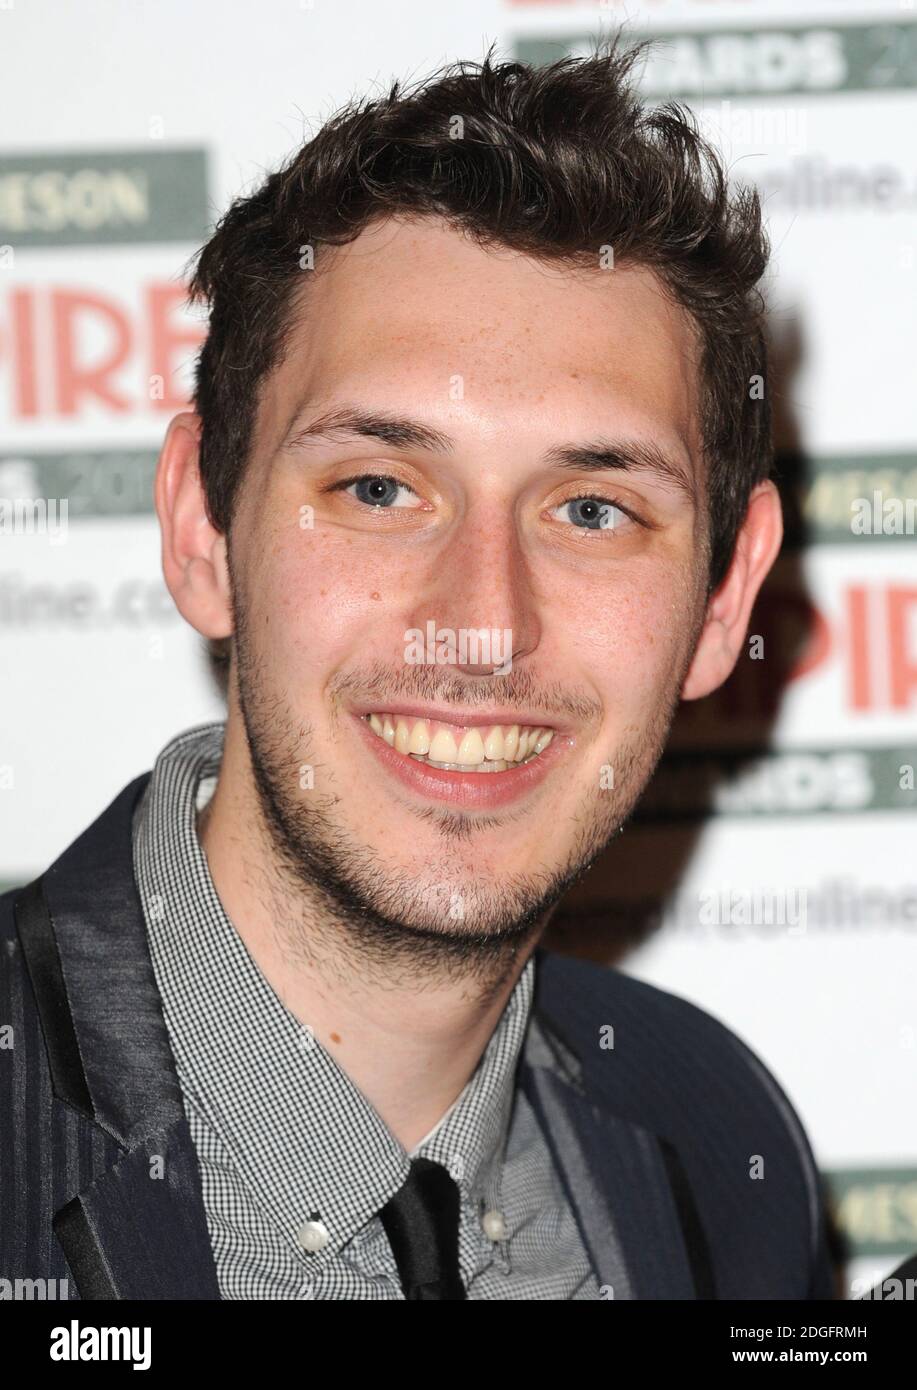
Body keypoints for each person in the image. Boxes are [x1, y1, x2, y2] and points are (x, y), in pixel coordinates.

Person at [0, 39, 836, 1300]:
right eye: (379, 487)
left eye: (592, 508)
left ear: (725, 596)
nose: (482, 625)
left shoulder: (717, 1145)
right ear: (198, 525)